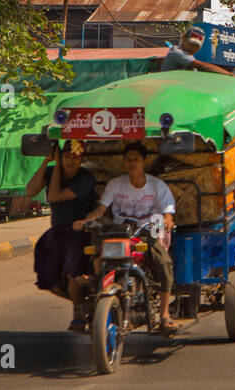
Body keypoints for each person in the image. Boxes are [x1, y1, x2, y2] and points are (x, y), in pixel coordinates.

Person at [75, 141, 180, 333]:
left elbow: (167, 214)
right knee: (98, 229)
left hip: (148, 231)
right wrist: (84, 221)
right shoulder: (115, 185)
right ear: (124, 162)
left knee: (164, 263)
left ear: (144, 162)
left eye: (136, 160)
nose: (132, 163)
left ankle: (164, 314)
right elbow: (100, 211)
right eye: (129, 160)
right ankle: (98, 277)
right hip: (120, 232)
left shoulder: (157, 186)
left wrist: (166, 221)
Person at [27, 141, 96, 332]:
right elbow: (31, 191)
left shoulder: (85, 178)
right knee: (48, 279)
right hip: (57, 232)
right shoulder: (52, 173)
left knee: (73, 272)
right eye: (66, 156)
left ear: (82, 159)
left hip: (79, 232)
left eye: (75, 156)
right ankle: (83, 304)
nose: (70, 161)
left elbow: (55, 196)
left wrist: (56, 166)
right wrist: (46, 163)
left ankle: (78, 312)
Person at [163, 26, 235, 76]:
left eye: (196, 46)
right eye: (190, 43)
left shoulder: (189, 56)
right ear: (183, 39)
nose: (192, 48)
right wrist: (229, 75)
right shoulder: (176, 53)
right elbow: (201, 65)